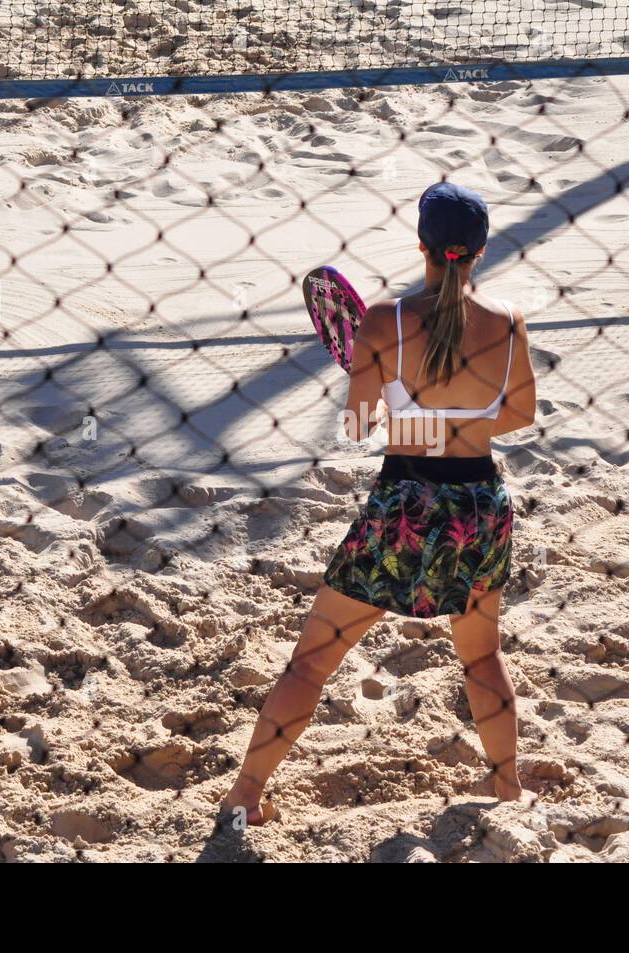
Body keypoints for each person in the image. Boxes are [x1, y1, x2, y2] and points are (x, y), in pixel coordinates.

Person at [223, 182, 538, 824]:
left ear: (419, 244)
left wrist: (405, 408)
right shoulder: (507, 320)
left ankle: (246, 795)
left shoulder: (383, 321)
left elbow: (359, 424)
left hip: (407, 506)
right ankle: (509, 791)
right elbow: (519, 414)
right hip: (479, 503)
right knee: (482, 653)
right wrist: (452, 423)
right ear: (478, 251)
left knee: (312, 663)